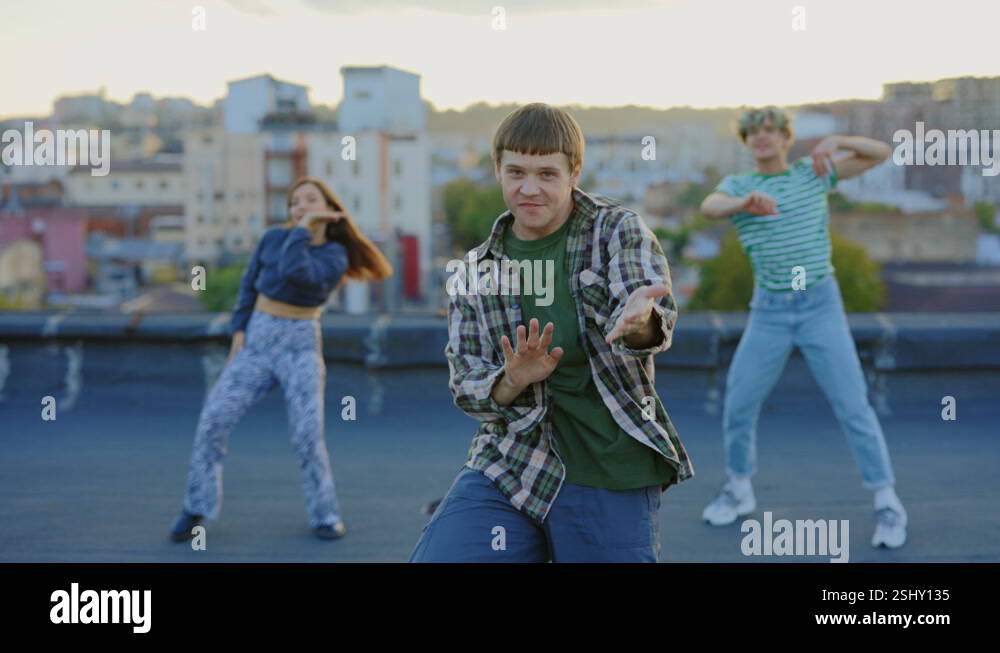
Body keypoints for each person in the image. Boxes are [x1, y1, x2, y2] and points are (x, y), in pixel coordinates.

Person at [409, 103, 693, 563]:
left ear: (574, 172)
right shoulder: (476, 270)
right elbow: (466, 386)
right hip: (514, 460)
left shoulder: (617, 231)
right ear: (497, 170)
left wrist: (640, 323)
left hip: (608, 465)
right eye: (516, 172)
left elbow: (649, 317)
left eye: (546, 174)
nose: (529, 189)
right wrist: (512, 379)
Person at [698, 106, 908, 548]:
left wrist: (838, 142)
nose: (762, 137)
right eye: (754, 132)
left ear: (785, 137)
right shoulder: (738, 185)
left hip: (820, 307)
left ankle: (887, 502)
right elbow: (709, 207)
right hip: (769, 312)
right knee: (739, 403)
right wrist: (742, 204)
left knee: (853, 405)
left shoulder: (812, 174)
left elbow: (880, 153)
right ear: (746, 141)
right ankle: (739, 488)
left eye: (771, 130)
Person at [169, 176, 392, 542]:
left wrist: (303, 230)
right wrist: (239, 330)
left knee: (307, 434)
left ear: (328, 209)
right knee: (212, 421)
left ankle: (325, 513)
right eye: (294, 202)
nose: (299, 206)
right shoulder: (272, 238)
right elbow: (249, 283)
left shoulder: (334, 255)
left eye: (309, 200)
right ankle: (196, 507)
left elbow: (296, 273)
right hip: (257, 340)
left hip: (300, 345)